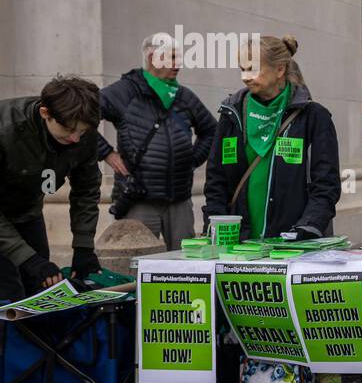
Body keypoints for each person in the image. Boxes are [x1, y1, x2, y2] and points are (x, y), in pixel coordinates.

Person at [203, 34, 341, 241]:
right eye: (242, 69)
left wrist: (308, 228)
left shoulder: (314, 117)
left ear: (280, 69)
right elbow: (216, 179)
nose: (245, 77)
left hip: (294, 244)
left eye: (253, 69)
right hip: (240, 244)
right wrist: (215, 224)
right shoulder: (231, 114)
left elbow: (326, 184)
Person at [98, 33, 217, 249]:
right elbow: (81, 115)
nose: (178, 64)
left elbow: (211, 131)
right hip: (139, 199)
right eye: (172, 57)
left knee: (185, 265)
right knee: (137, 263)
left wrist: (190, 161)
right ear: (153, 58)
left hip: (179, 199)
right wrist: (106, 152)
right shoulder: (125, 92)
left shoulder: (184, 96)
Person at [0, 77, 104, 302]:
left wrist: (84, 247)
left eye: (82, 131)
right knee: (8, 294)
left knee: (42, 289)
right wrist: (26, 258)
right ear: (46, 113)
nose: (76, 138)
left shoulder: (83, 129)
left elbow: (86, 190)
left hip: (28, 212)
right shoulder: (6, 129)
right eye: (69, 130)